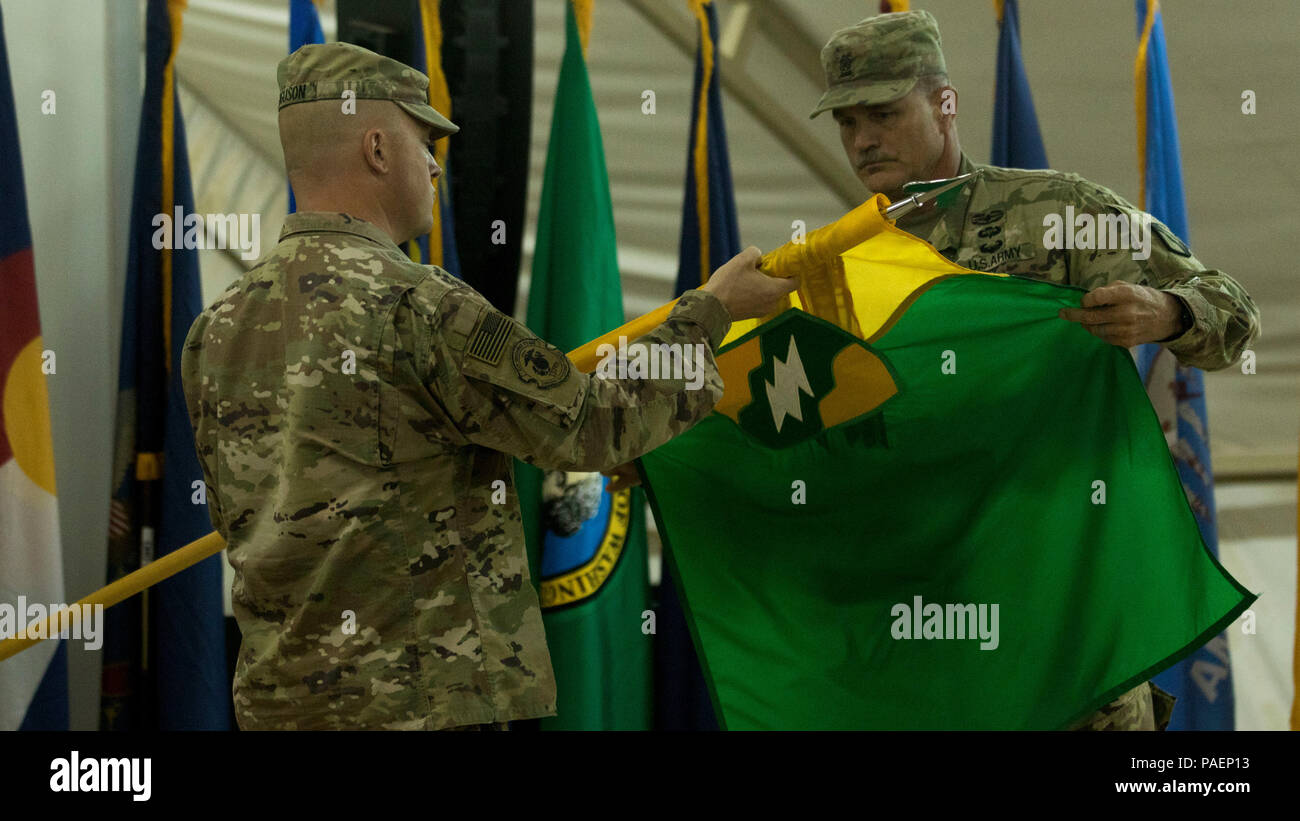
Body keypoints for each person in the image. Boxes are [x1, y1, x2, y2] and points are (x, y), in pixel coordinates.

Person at [179, 42, 795, 730]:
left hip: (284, 708)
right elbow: (589, 423)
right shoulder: (418, 306)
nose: (437, 164)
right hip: (422, 706)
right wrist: (709, 313)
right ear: (378, 149)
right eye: (424, 141)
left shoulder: (214, 330)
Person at [811, 10, 1261, 729]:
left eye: (884, 113)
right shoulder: (835, 271)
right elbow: (796, 432)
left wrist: (1168, 312)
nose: (863, 139)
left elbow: (1231, 312)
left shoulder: (1057, 213)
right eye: (847, 123)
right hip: (932, 637)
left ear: (944, 103)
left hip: (1072, 614)